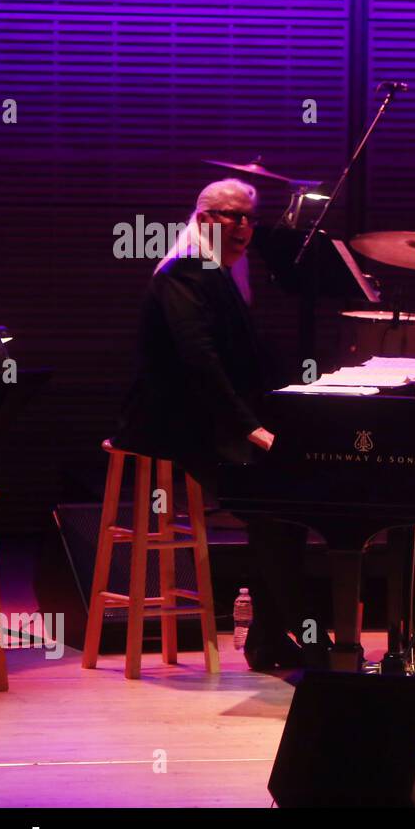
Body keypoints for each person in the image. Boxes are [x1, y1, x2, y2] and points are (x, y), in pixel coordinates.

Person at [114, 178, 328, 672]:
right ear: (206, 219)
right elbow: (200, 362)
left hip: (212, 417)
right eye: (233, 216)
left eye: (250, 218)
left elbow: (245, 364)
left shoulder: (224, 274)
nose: (244, 227)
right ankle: (310, 639)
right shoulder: (181, 275)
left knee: (284, 504)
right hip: (176, 424)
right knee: (271, 507)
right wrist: (250, 428)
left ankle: (274, 639)